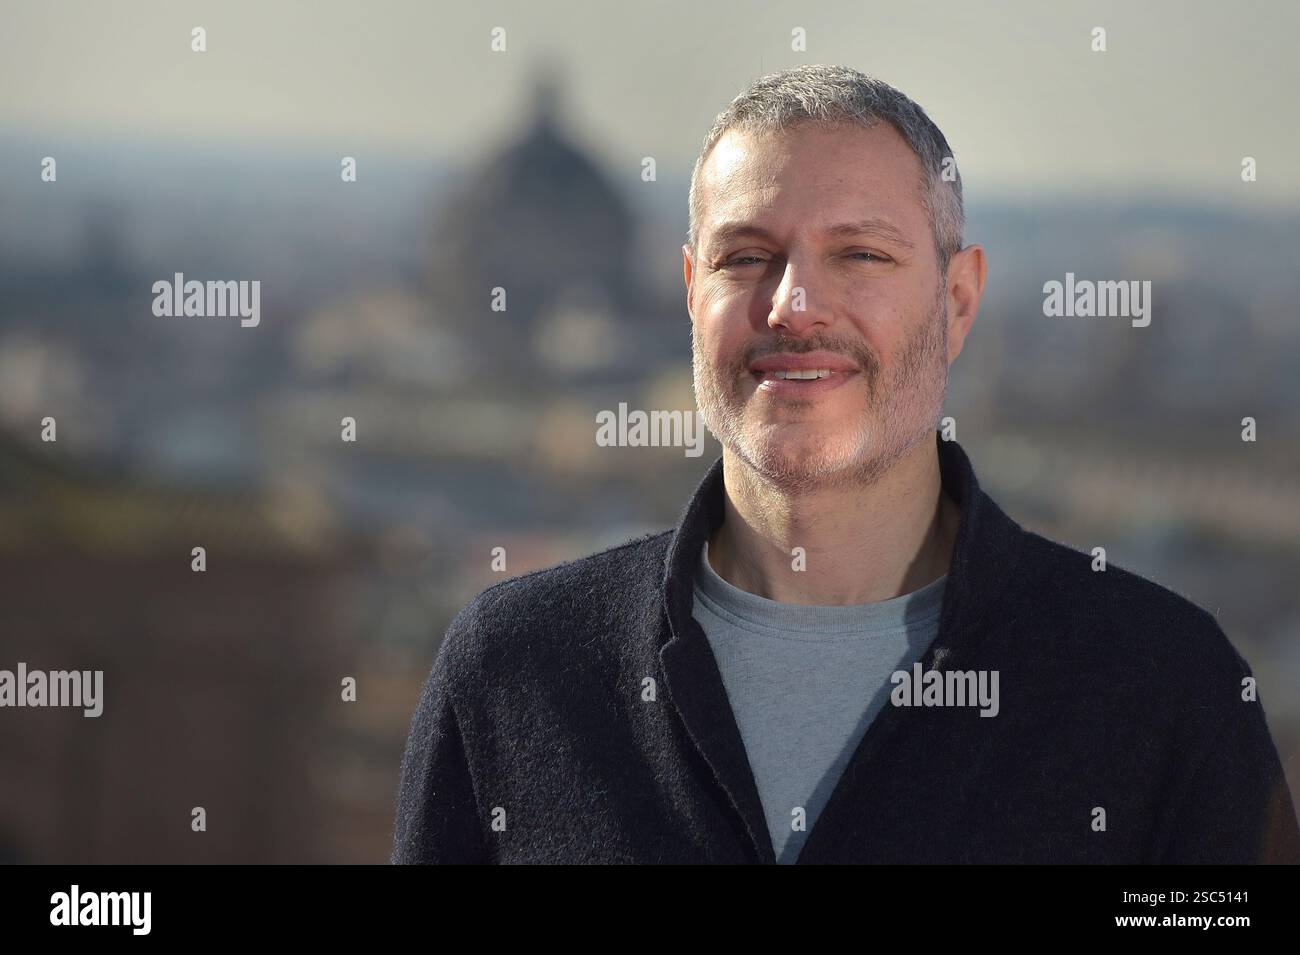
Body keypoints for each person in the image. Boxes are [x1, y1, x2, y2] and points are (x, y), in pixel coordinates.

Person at [392, 64, 1299, 864]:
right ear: (688, 293)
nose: (794, 305)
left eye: (860, 254)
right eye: (747, 255)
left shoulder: (1165, 692)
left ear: (958, 299)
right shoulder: (514, 671)